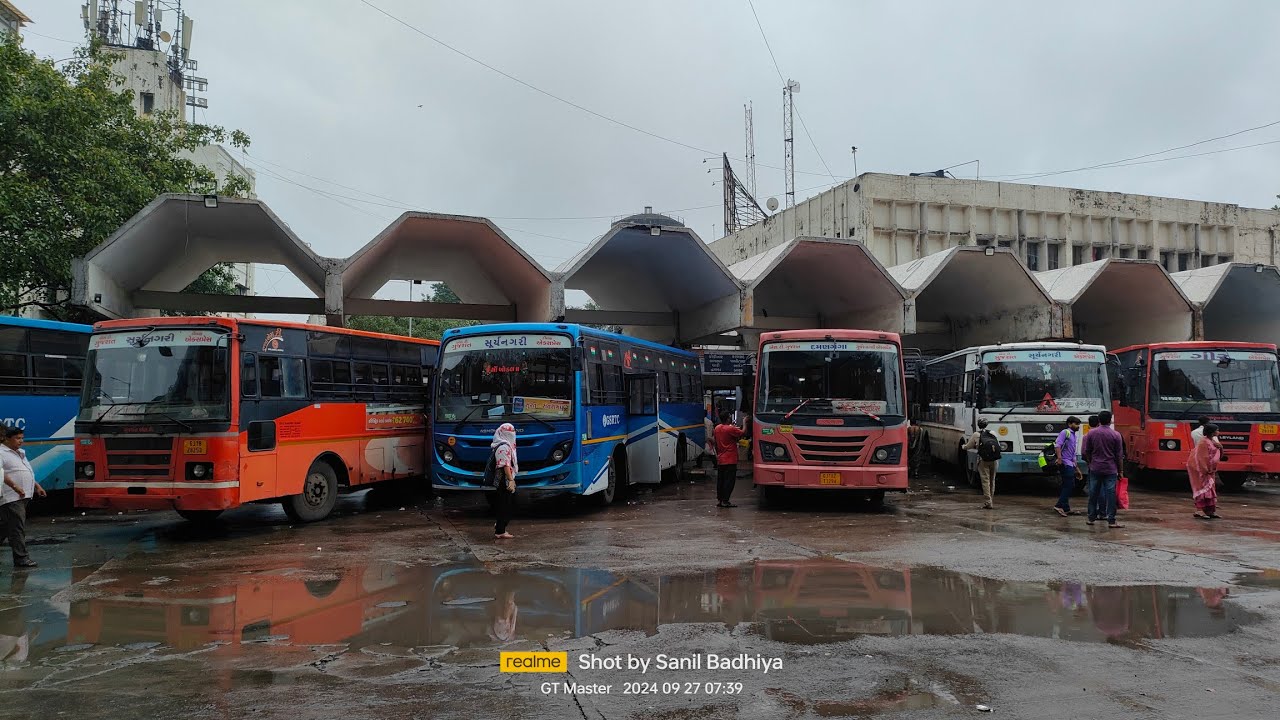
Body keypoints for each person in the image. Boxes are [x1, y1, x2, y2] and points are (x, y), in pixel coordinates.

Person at [0, 427, 44, 569]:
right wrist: (14, 486)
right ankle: (21, 559)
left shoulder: (20, 453)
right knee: (17, 527)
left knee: (6, 526)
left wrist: (37, 486)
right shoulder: (2, 453)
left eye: (22, 438)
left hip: (23, 495)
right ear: (7, 439)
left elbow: (27, 471)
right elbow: (1, 473)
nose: (21, 441)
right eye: (18, 438)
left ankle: (20, 557)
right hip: (12, 496)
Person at [1081, 410, 1125, 529]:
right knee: (1110, 495)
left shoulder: (1091, 434)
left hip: (1095, 468)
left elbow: (1086, 451)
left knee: (1093, 493)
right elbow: (1119, 456)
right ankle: (1111, 521)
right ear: (1110, 420)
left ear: (1099, 420)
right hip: (1110, 469)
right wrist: (1120, 471)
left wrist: (1091, 463)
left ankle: (1091, 518)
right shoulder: (1116, 435)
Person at [962, 418, 1000, 509]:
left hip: (983, 460)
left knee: (985, 481)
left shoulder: (976, 434)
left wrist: (963, 446)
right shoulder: (993, 433)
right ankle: (991, 499)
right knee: (992, 480)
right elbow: (998, 445)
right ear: (986, 425)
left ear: (978, 425)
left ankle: (988, 502)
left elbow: (968, 446)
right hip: (994, 460)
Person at [1187, 423, 1222, 520]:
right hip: (1202, 470)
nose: (1218, 431)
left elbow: (1217, 454)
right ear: (1212, 431)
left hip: (1210, 470)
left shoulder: (1212, 441)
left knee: (1210, 490)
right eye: (1217, 430)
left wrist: (1220, 447)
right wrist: (1205, 470)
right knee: (1202, 490)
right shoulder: (1203, 442)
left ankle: (1210, 511)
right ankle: (1200, 510)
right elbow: (1201, 457)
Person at [489, 423, 518, 539]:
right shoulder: (503, 447)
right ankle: (500, 531)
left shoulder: (504, 445)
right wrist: (511, 480)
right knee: (505, 505)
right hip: (504, 480)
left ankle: (500, 526)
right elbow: (505, 465)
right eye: (509, 433)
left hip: (505, 479)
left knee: (507, 504)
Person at [1052, 416, 1083, 517]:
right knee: (1069, 485)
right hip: (1064, 463)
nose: (1078, 426)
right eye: (1076, 424)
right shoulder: (1065, 432)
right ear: (1070, 424)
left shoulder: (1074, 436)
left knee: (1069, 484)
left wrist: (1077, 468)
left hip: (1070, 463)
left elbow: (1072, 454)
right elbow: (1057, 445)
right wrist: (1060, 458)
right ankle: (1058, 506)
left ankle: (1066, 508)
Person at [713, 411, 745, 508]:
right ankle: (725, 501)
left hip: (721, 459)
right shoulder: (730, 429)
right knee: (729, 481)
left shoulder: (717, 428)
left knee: (721, 481)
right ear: (727, 419)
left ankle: (720, 499)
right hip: (730, 459)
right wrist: (745, 421)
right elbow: (743, 432)